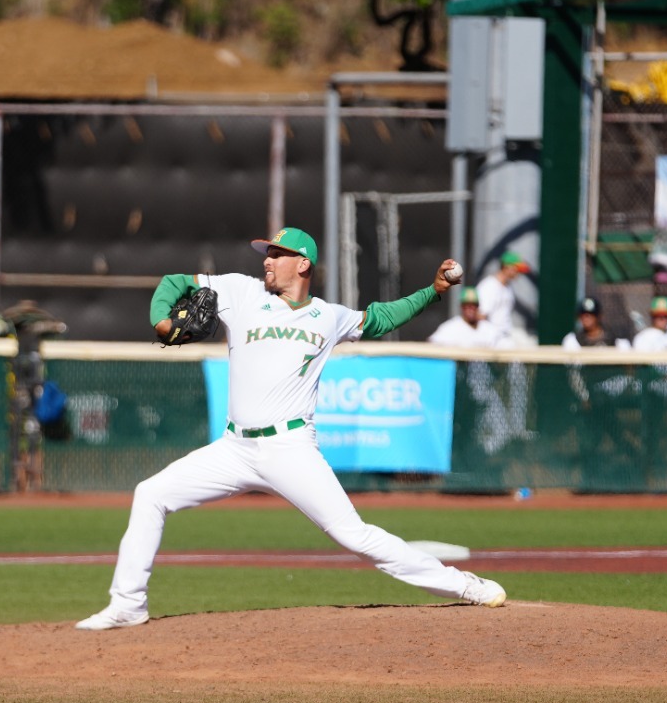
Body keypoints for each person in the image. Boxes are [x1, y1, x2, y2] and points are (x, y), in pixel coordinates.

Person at [75, 225, 508, 630]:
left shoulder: (327, 315)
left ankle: (463, 585)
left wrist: (432, 292)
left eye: (277, 254)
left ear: (303, 264)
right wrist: (162, 321)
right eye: (266, 254)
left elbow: (380, 317)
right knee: (150, 494)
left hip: (290, 448)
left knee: (354, 535)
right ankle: (128, 604)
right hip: (234, 448)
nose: (267, 260)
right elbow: (175, 282)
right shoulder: (240, 291)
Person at [475, 250, 530, 343]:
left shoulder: (508, 287)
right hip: (491, 339)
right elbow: (480, 316)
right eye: (517, 269)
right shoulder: (489, 286)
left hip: (504, 336)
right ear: (506, 267)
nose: (518, 273)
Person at [429, 286, 506, 348]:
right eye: (466, 305)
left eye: (473, 305)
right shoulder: (451, 327)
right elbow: (431, 344)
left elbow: (505, 346)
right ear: (461, 307)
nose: (470, 309)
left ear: (478, 306)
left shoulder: (488, 329)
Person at [562, 296, 629, 349]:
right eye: (583, 315)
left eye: (590, 315)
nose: (586, 318)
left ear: (599, 316)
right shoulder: (572, 340)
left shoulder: (617, 341)